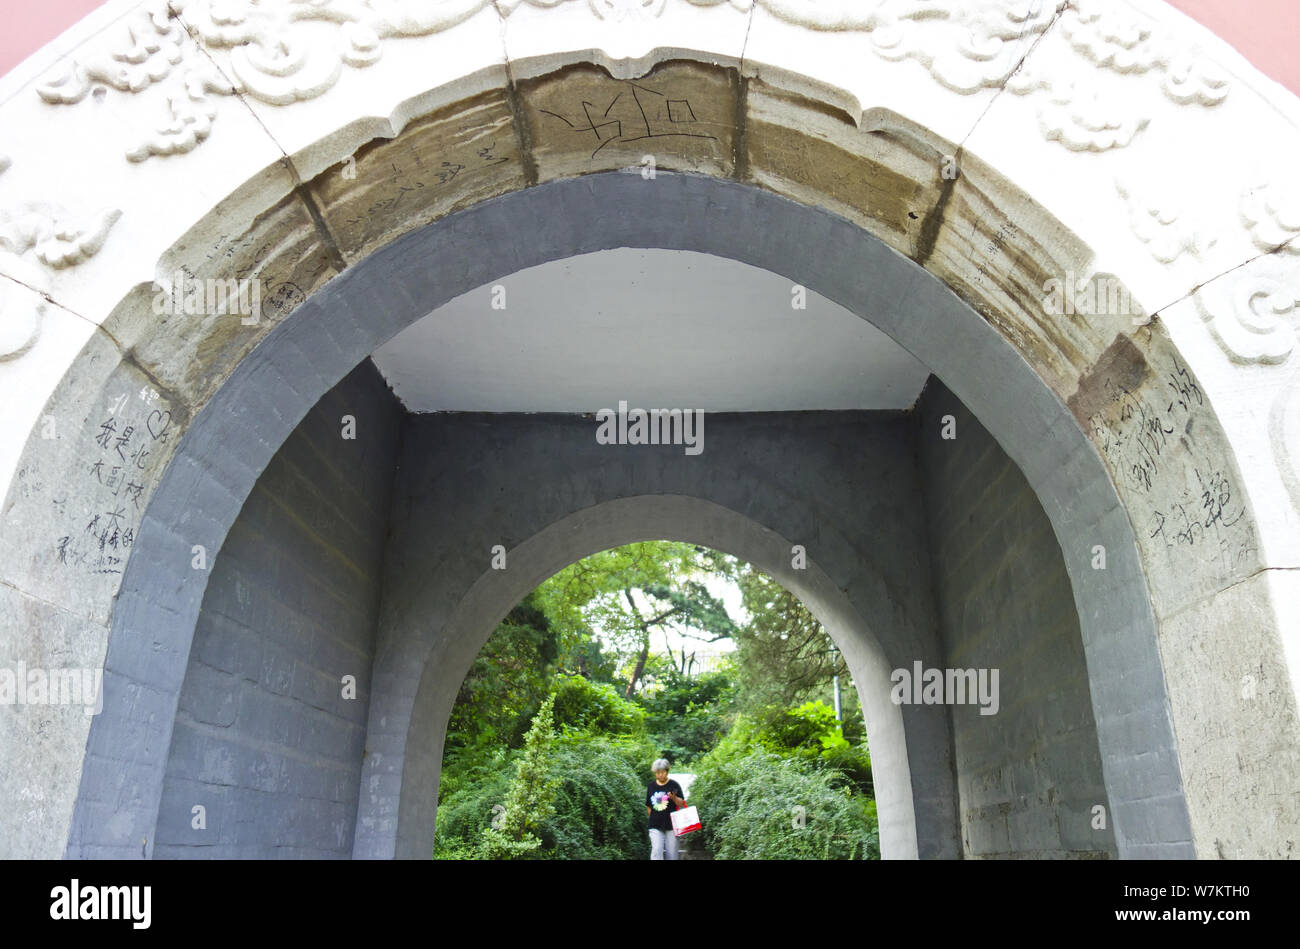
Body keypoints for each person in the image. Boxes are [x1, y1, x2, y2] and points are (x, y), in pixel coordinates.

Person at [646, 757, 687, 860]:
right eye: (658, 773)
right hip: (655, 825)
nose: (660, 775)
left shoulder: (674, 785)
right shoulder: (651, 786)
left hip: (672, 825)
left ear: (667, 771)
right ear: (655, 773)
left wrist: (674, 798)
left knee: (672, 855)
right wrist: (652, 819)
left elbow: (682, 803)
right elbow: (649, 806)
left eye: (663, 772)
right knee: (656, 852)